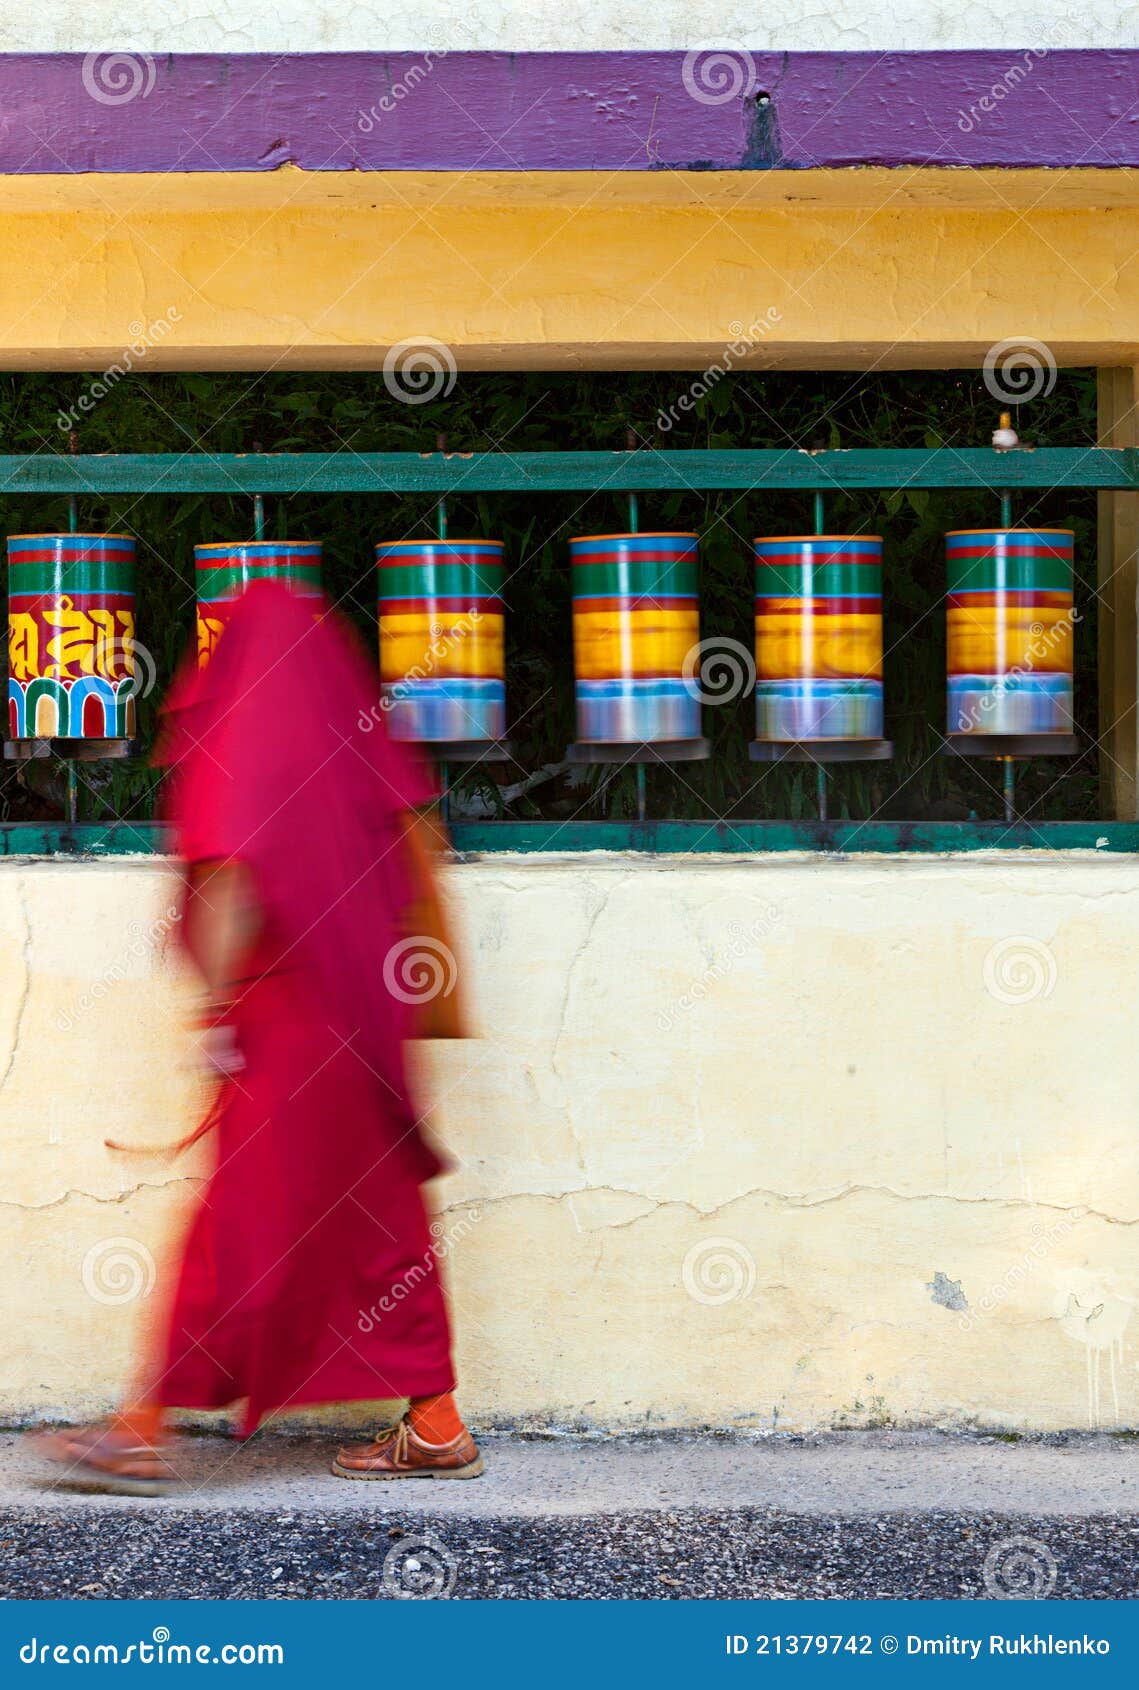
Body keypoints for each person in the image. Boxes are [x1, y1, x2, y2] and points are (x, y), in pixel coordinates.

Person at [37, 579, 481, 1493]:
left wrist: (218, 1009)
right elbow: (414, 847)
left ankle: (141, 1425)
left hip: (290, 1010)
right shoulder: (350, 729)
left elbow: (236, 869)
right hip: (369, 1005)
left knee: (240, 1216)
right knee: (379, 1214)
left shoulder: (256, 727)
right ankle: (434, 1423)